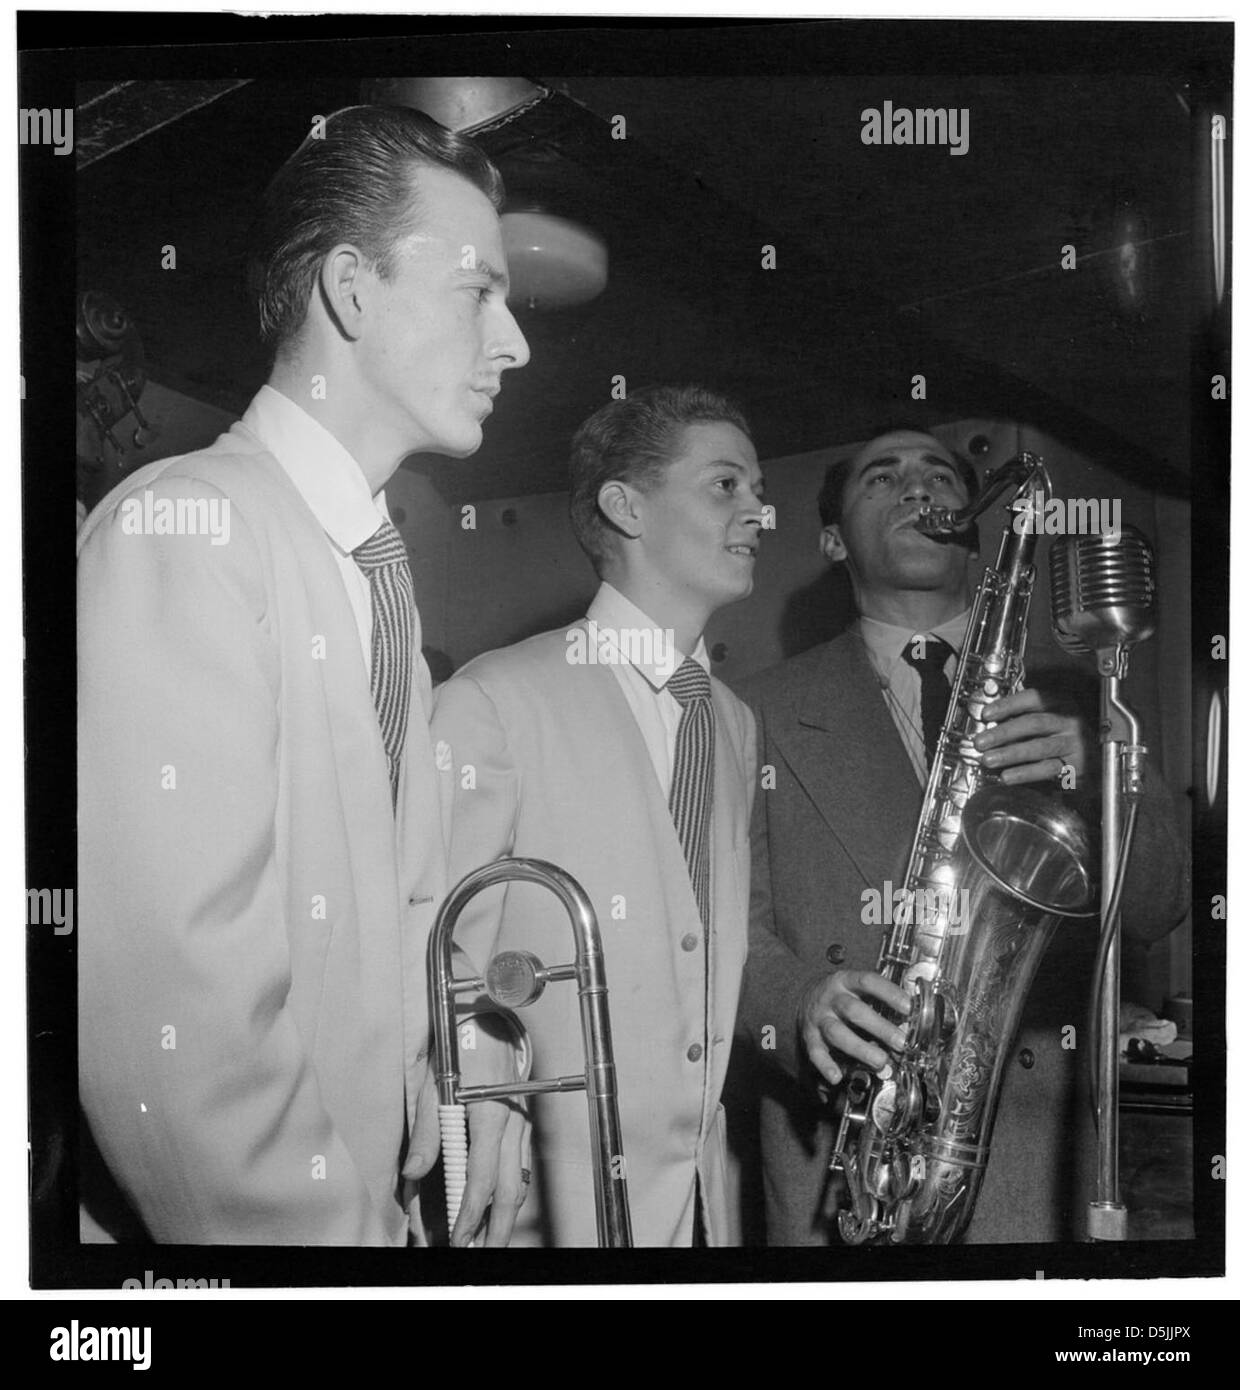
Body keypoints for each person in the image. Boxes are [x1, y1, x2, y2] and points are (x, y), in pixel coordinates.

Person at [77, 105, 532, 1246]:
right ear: (351, 289)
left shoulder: (374, 569)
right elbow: (179, 1039)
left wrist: (434, 1089)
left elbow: (383, 913)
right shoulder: (186, 530)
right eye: (479, 290)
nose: (515, 341)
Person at [735, 427, 1189, 1245]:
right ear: (833, 538)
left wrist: (1104, 770)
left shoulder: (1085, 697)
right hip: (850, 1166)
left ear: (974, 524)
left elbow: (1160, 903)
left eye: (941, 474)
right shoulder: (754, 708)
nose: (920, 489)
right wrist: (800, 1000)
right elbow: (723, 933)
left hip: (1041, 1170)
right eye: (883, 476)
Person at [430, 386, 763, 1245]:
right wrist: (486, 1116)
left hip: (703, 1209)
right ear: (625, 505)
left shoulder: (734, 722)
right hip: (541, 1202)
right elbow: (444, 958)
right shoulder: (493, 700)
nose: (759, 512)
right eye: (726, 486)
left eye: (757, 491)